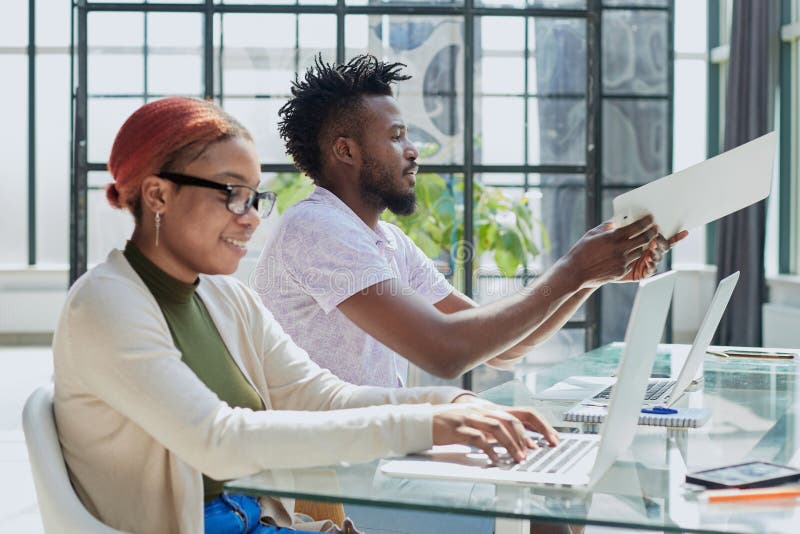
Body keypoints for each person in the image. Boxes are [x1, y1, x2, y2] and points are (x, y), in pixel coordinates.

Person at [52, 96, 560, 534]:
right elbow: (220, 442)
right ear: (158, 194)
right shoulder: (105, 305)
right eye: (231, 193)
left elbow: (322, 396)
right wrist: (427, 423)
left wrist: (454, 401)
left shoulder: (226, 300)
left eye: (255, 196)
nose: (250, 217)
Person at [254, 54, 687, 388]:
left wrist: (592, 276)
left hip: (365, 460)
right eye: (395, 136)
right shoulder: (317, 229)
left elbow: (506, 348)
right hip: (320, 484)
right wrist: (574, 269)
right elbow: (446, 353)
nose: (413, 150)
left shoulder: (388, 241)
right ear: (346, 151)